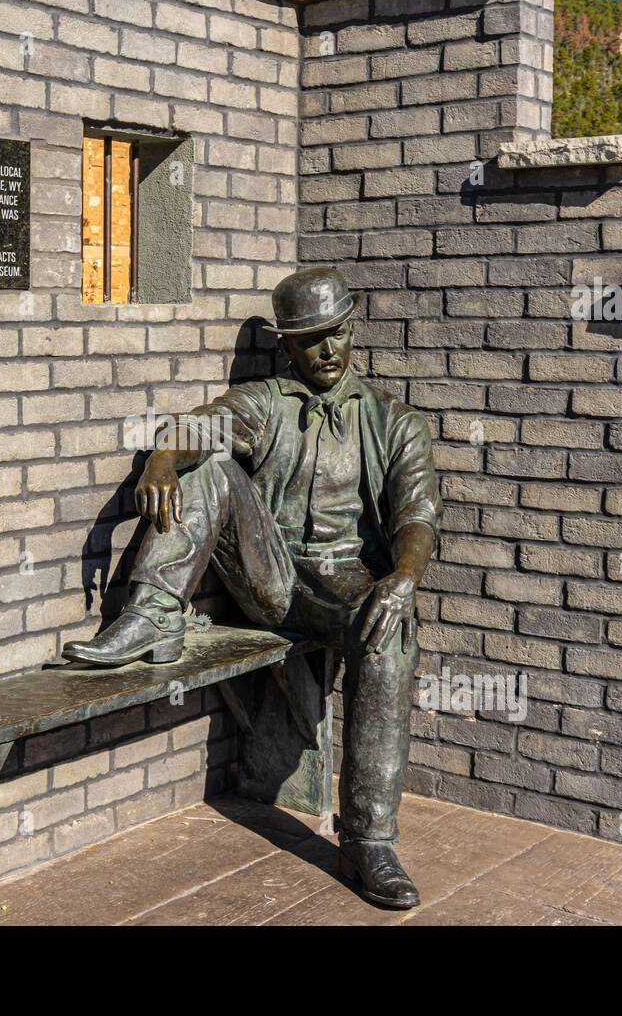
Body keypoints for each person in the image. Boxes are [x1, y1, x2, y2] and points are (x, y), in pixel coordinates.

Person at [63, 267, 441, 909]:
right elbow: (200, 427)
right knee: (208, 468)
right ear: (287, 346)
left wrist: (403, 579)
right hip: (271, 578)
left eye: (335, 334)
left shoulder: (394, 421)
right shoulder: (267, 402)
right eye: (308, 340)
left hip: (346, 587)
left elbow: (416, 517)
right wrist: (160, 461)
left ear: (352, 328)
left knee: (391, 631)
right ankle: (152, 611)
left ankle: (370, 841)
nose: (325, 351)